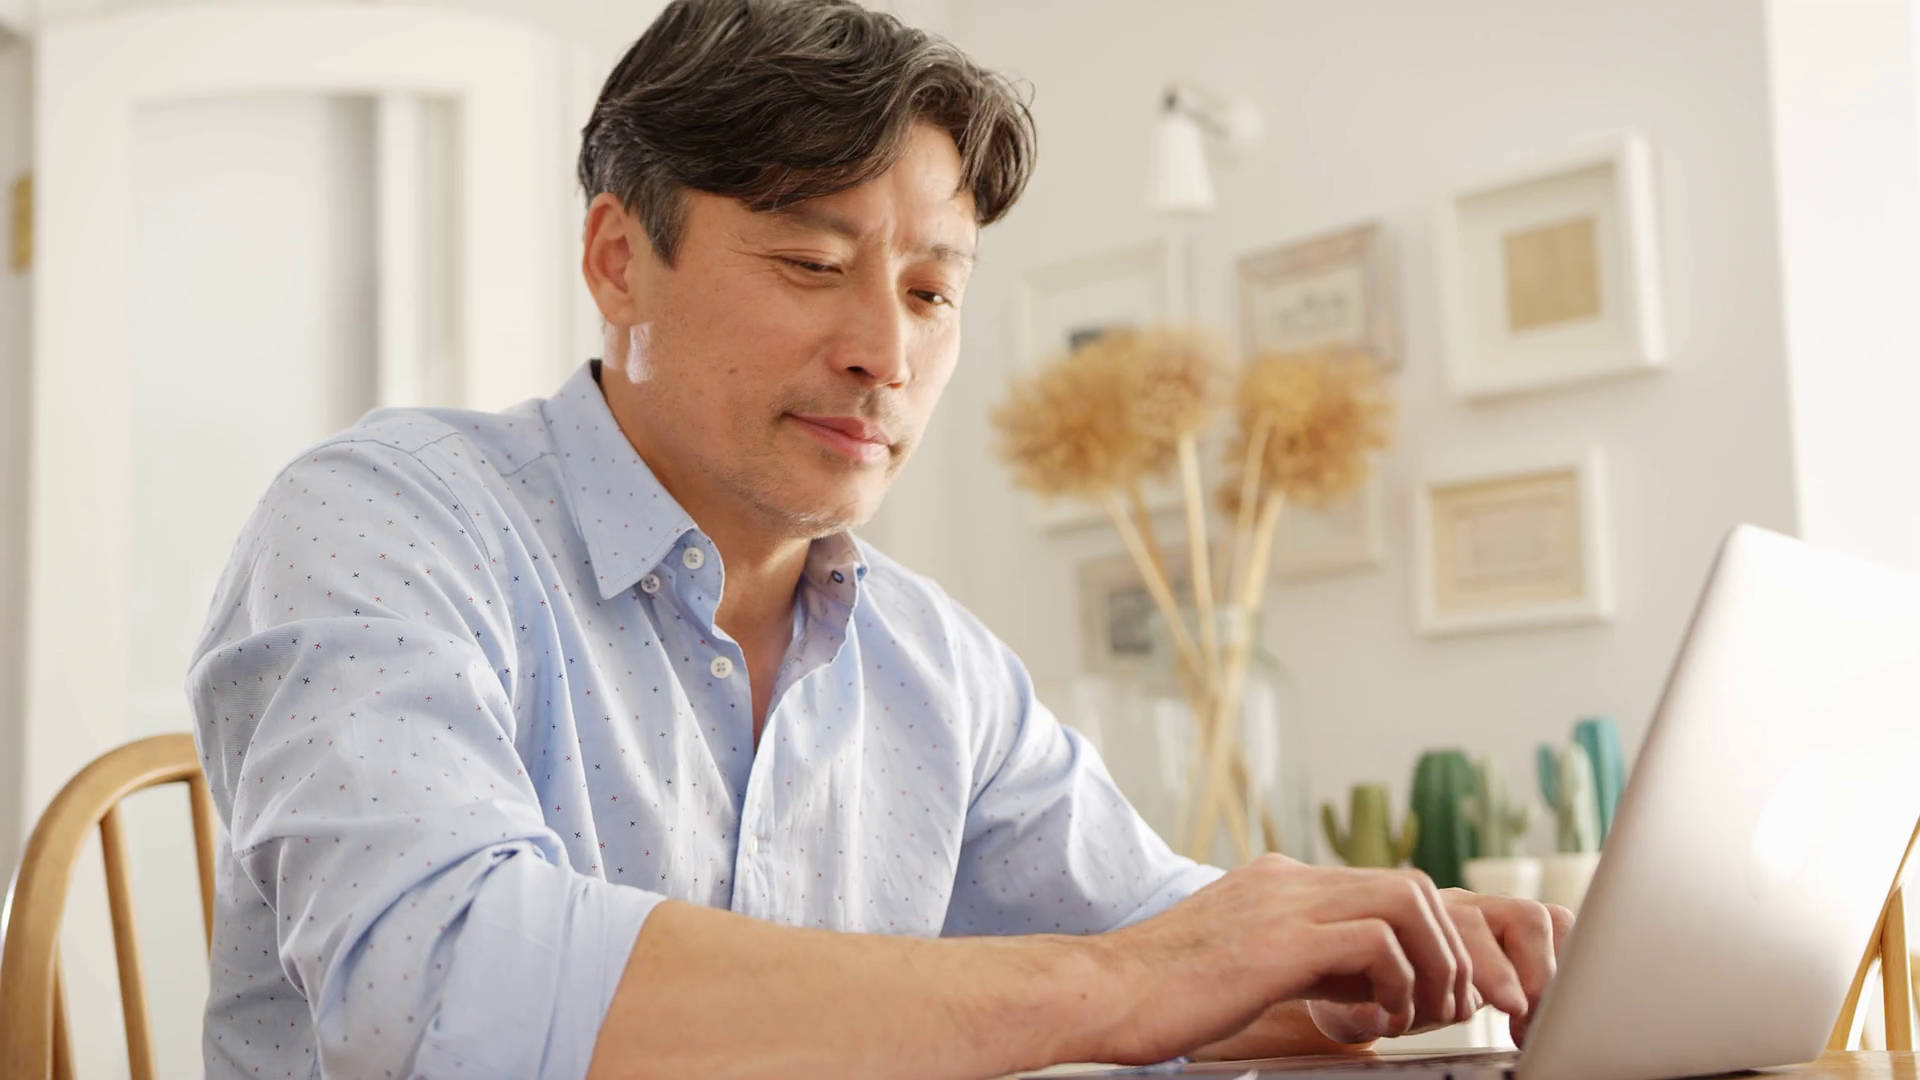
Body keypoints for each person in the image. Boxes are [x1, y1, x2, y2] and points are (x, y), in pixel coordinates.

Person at [188, 1, 1571, 1077]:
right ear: (618, 259)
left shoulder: (932, 660)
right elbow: (436, 990)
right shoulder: (383, 521)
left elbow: (1170, 951)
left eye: (931, 292)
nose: (885, 354)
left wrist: (1370, 962)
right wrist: (1129, 981)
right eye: (812, 264)